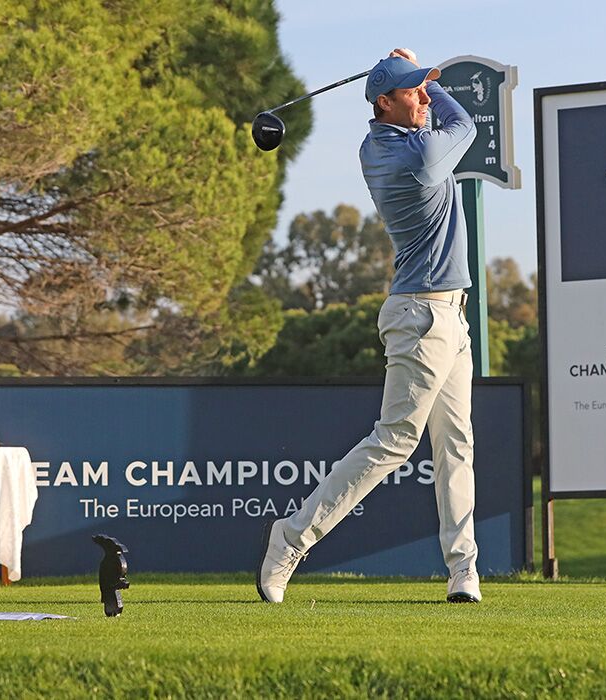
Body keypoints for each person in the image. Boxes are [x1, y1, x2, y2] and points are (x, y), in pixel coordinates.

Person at [258, 48, 481, 604]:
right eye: (413, 91)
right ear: (384, 102)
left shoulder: (380, 144)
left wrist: (416, 77)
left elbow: (431, 119)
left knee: (455, 444)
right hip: (422, 317)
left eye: (424, 88)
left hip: (450, 314)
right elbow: (466, 125)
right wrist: (432, 78)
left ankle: (463, 571)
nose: (424, 97)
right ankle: (290, 539)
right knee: (395, 440)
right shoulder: (415, 157)